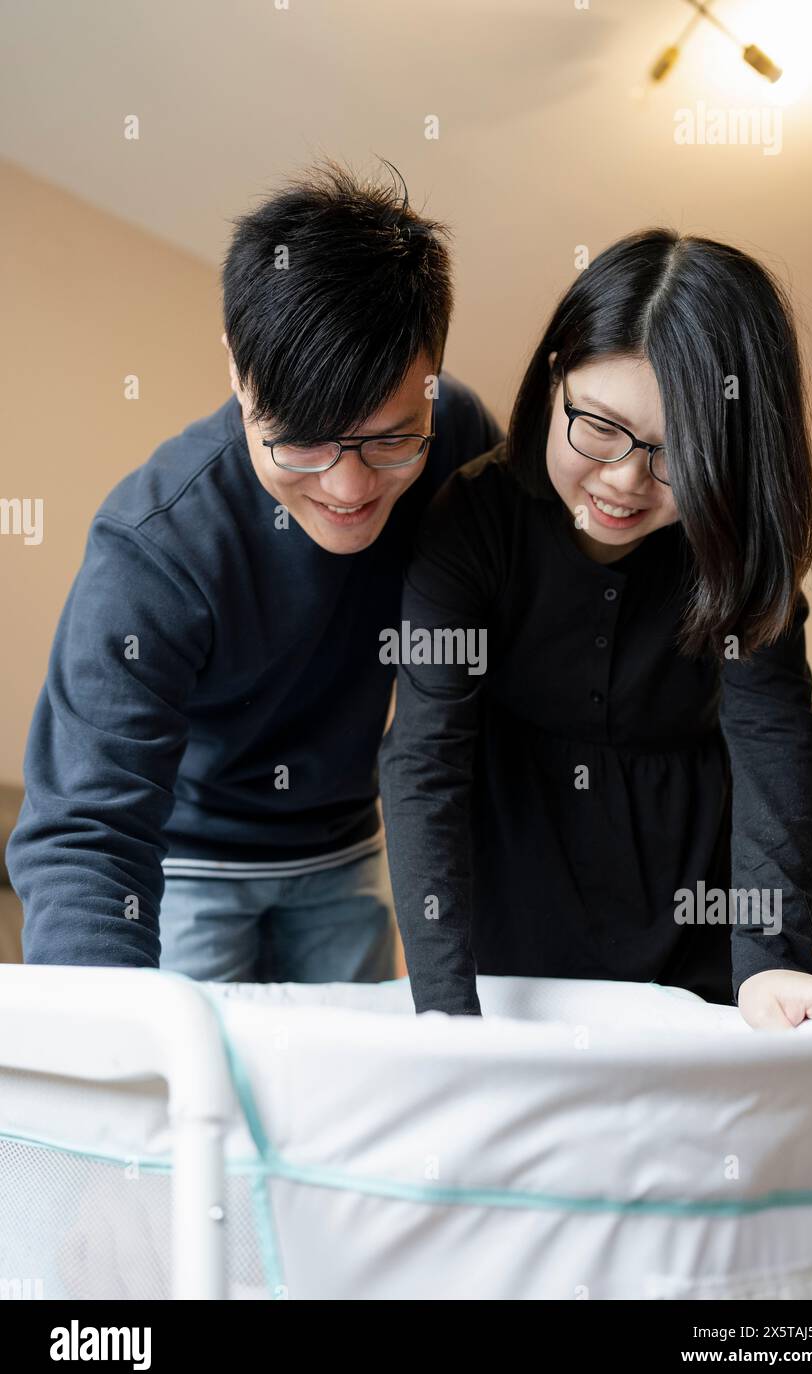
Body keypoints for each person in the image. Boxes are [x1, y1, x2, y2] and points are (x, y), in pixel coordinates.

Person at [7, 161, 501, 982]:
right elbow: (84, 832)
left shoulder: (459, 443)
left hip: (347, 850)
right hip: (187, 863)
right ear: (238, 371)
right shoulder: (156, 545)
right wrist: (113, 1047)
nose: (349, 490)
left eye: (389, 438)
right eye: (301, 442)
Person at [380, 228, 812, 1032]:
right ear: (553, 380)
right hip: (515, 916)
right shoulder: (472, 521)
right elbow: (425, 761)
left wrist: (773, 957)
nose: (623, 481)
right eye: (599, 427)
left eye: (679, 454)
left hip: (697, 920)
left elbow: (774, 739)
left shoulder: (734, 544)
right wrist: (443, 1008)